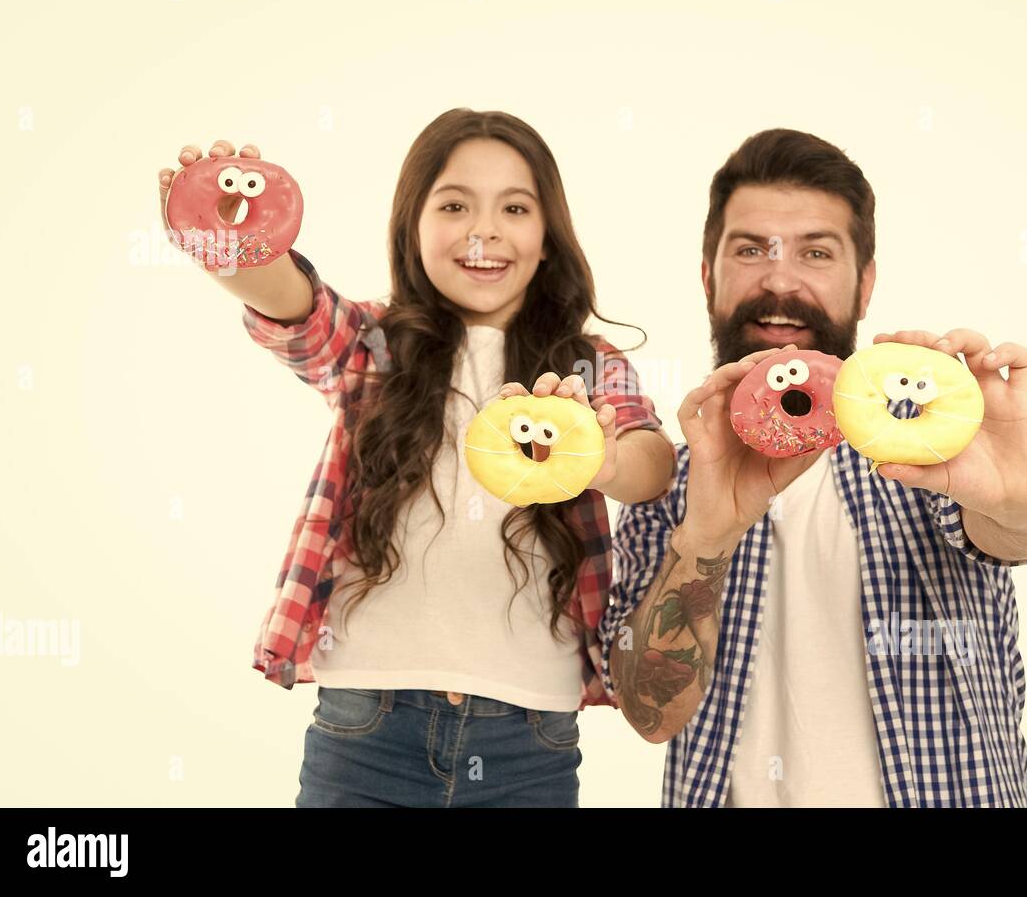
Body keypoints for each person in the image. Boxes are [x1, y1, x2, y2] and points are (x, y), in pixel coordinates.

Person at [156, 109, 677, 807]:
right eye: (455, 205)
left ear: (548, 237)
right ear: (412, 226)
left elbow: (653, 464)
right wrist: (234, 235)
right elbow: (291, 307)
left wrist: (604, 462)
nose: (484, 231)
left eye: (515, 208)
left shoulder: (588, 364)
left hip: (530, 737)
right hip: (366, 728)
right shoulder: (372, 345)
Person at [601, 128, 1027, 807]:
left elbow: (1026, 529)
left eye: (816, 252)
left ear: (865, 284)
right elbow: (650, 714)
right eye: (749, 249)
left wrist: (1025, 497)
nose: (779, 279)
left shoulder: (928, 450)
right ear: (708, 276)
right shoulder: (664, 480)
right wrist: (703, 538)